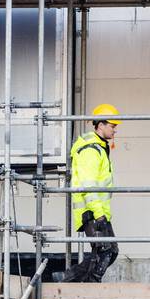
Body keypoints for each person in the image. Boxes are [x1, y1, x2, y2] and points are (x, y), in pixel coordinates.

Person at [56, 103, 121, 283]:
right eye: (112, 126)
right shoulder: (90, 150)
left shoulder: (98, 147)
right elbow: (88, 184)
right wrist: (99, 214)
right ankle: (90, 286)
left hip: (98, 210)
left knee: (110, 251)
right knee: (105, 251)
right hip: (92, 211)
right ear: (101, 125)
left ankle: (65, 278)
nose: (115, 130)